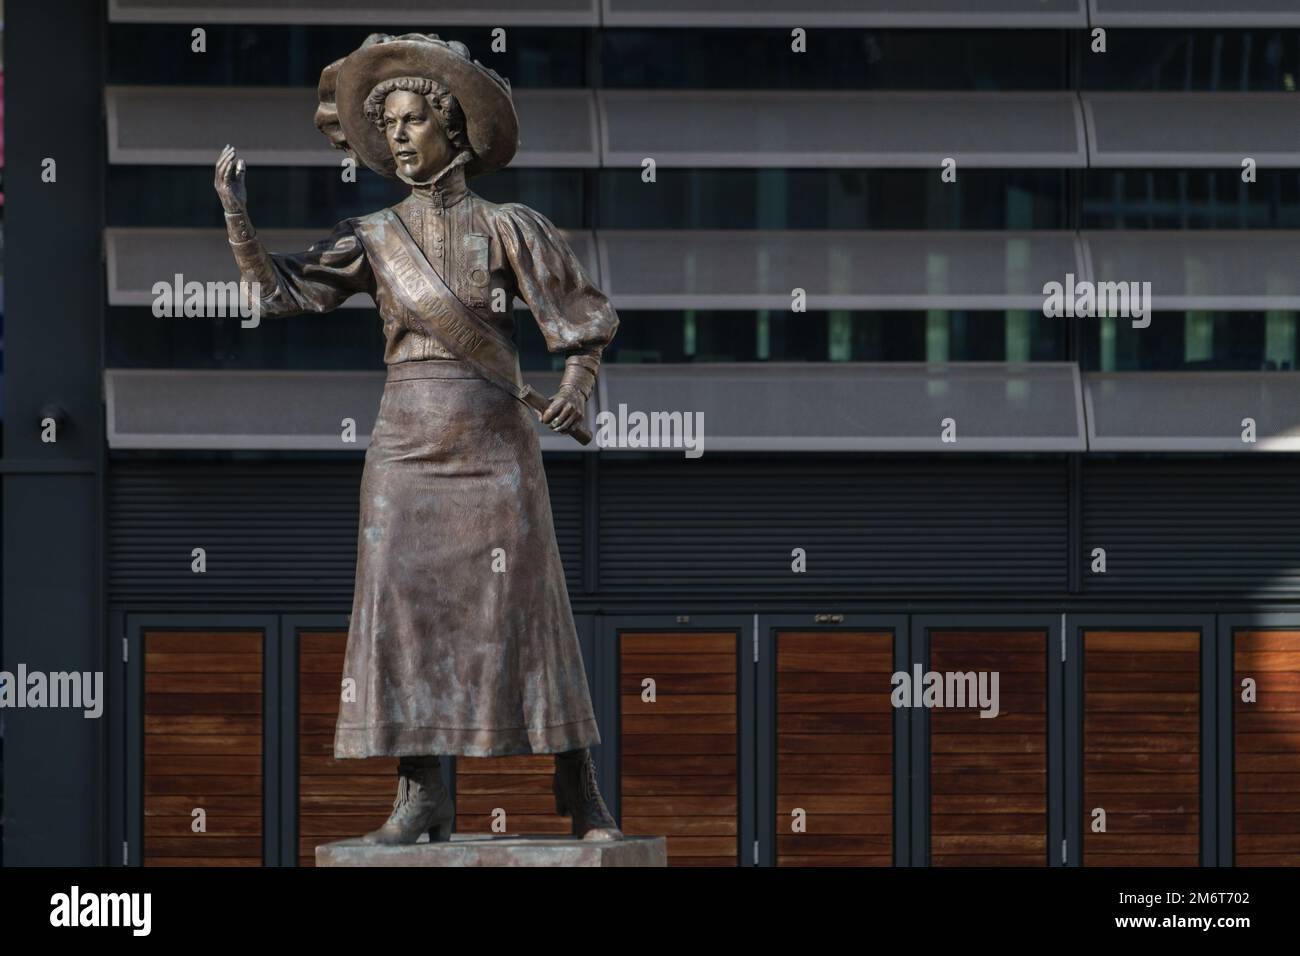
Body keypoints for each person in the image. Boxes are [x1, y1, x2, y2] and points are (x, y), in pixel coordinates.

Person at [213, 33, 622, 843]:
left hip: (494, 444)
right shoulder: (371, 237)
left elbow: (579, 325)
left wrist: (576, 392)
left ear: (454, 129)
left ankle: (582, 792)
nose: (398, 135)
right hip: (405, 447)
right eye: (389, 122)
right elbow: (281, 298)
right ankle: (421, 797)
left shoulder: (510, 227)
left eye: (412, 120)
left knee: (529, 611)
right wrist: (237, 219)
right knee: (404, 615)